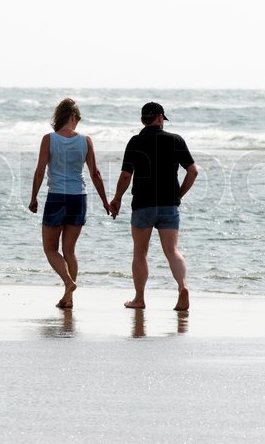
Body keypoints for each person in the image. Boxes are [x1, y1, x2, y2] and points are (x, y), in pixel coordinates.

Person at [109, 102, 198, 311]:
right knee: (172, 250)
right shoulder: (176, 140)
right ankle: (182, 287)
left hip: (143, 204)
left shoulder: (135, 141)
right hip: (169, 205)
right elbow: (193, 171)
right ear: (160, 118)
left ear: (143, 120)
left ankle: (139, 299)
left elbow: (125, 175)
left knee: (140, 253)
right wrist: (178, 195)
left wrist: (117, 198)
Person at [29, 98, 111, 308]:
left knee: (50, 249)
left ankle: (68, 282)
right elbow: (95, 173)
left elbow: (39, 171)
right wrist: (105, 201)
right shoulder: (86, 140)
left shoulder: (49, 139)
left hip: (57, 196)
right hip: (79, 197)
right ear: (73, 117)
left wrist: (34, 197)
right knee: (70, 251)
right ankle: (68, 298)